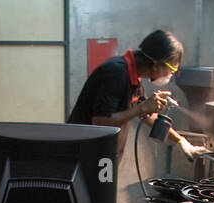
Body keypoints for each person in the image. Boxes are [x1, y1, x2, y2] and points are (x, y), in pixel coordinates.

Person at [68, 29, 200, 163]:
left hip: (104, 156)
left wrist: (180, 140)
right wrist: (141, 108)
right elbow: (100, 122)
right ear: (156, 64)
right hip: (84, 156)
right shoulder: (116, 73)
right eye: (171, 70)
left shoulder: (134, 76)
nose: (170, 75)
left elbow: (148, 116)